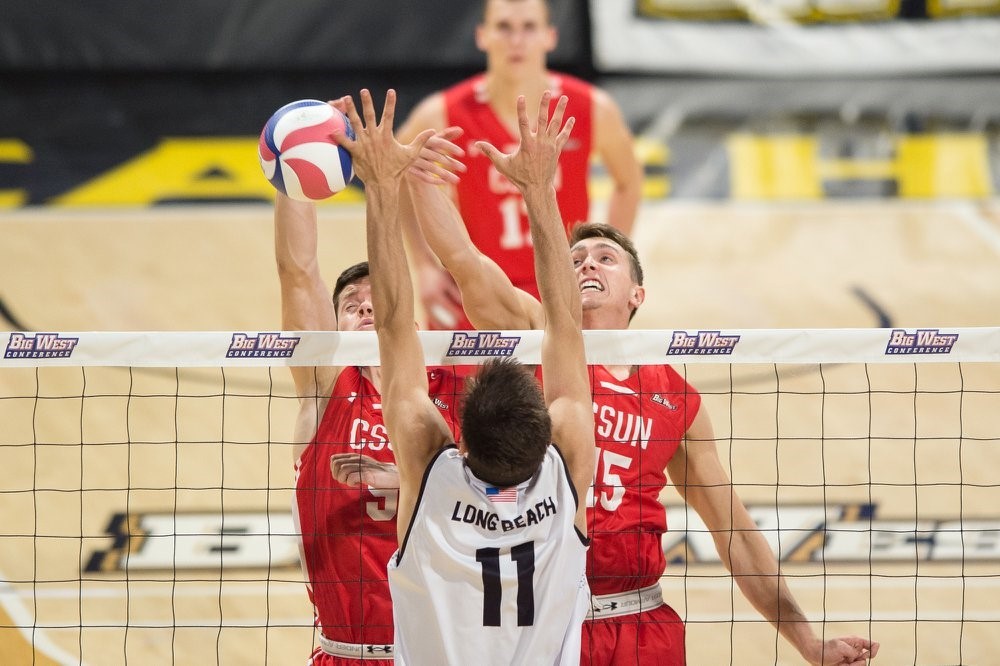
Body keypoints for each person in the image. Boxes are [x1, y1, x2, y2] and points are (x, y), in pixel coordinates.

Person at [404, 125, 882, 666]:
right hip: (541, 617)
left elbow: (734, 533)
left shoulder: (673, 396)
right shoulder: (536, 332)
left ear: (637, 294)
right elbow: (460, 256)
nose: (587, 263)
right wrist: (418, 177)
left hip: (638, 624)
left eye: (605, 258)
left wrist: (807, 641)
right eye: (577, 256)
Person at [331, 87, 596, 664]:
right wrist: (540, 191)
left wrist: (380, 188)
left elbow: (395, 325)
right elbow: (566, 326)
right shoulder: (566, 472)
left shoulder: (430, 475)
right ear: (546, 434)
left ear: (461, 439)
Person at [273, 117, 466, 664]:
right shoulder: (326, 389)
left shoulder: (455, 392)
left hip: (437, 651)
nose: (364, 306)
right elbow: (298, 272)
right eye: (350, 303)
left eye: (375, 296)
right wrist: (295, 158)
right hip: (346, 652)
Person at [397, 0, 643, 330]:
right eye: (504, 27)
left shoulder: (591, 107)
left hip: (562, 292)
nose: (516, 40)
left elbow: (629, 181)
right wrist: (425, 265)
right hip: (476, 289)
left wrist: (611, 267)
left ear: (550, 37)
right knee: (458, 382)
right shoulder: (441, 112)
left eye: (528, 28)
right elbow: (398, 173)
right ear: (482, 36)